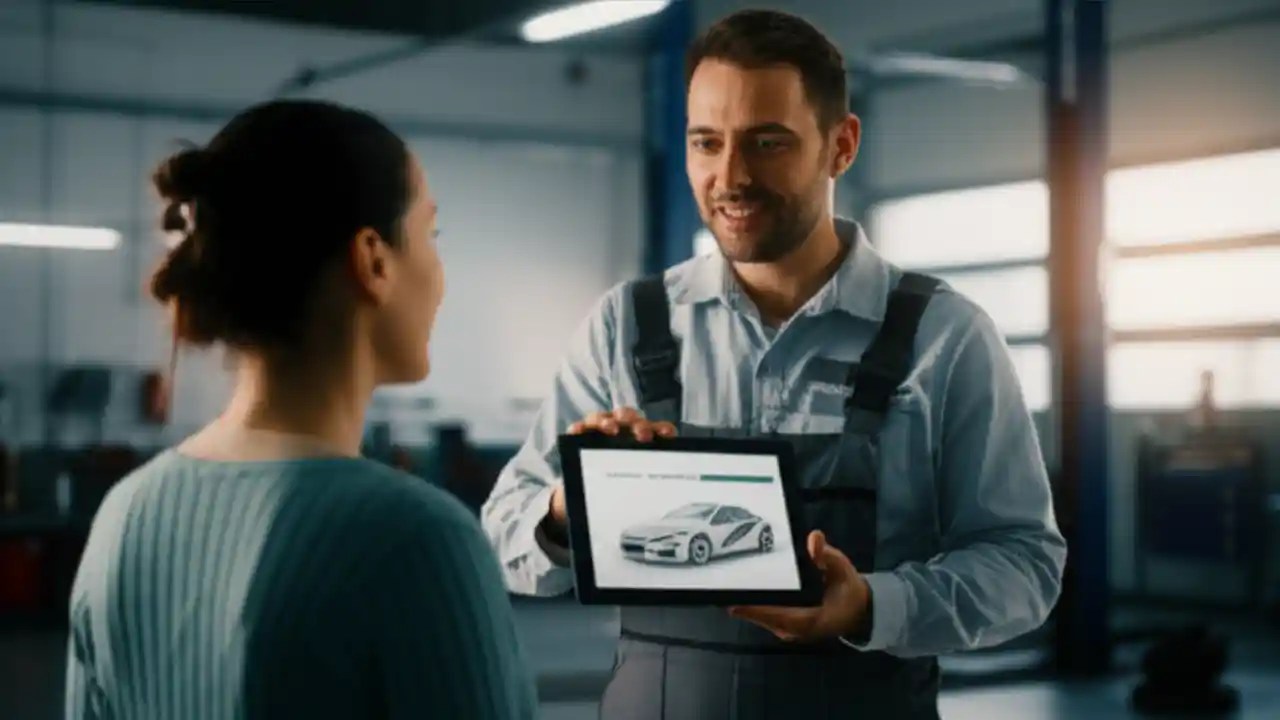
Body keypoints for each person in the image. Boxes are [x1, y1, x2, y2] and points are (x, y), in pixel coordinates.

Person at [482, 9, 1065, 719]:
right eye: (707, 142)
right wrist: (566, 509)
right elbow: (504, 535)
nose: (730, 176)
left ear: (840, 146)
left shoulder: (943, 338)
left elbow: (1024, 565)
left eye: (767, 143)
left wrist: (872, 606)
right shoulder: (625, 327)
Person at [65, 100, 537, 719]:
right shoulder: (418, 541)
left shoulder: (124, 515)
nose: (440, 273)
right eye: (431, 236)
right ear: (373, 261)